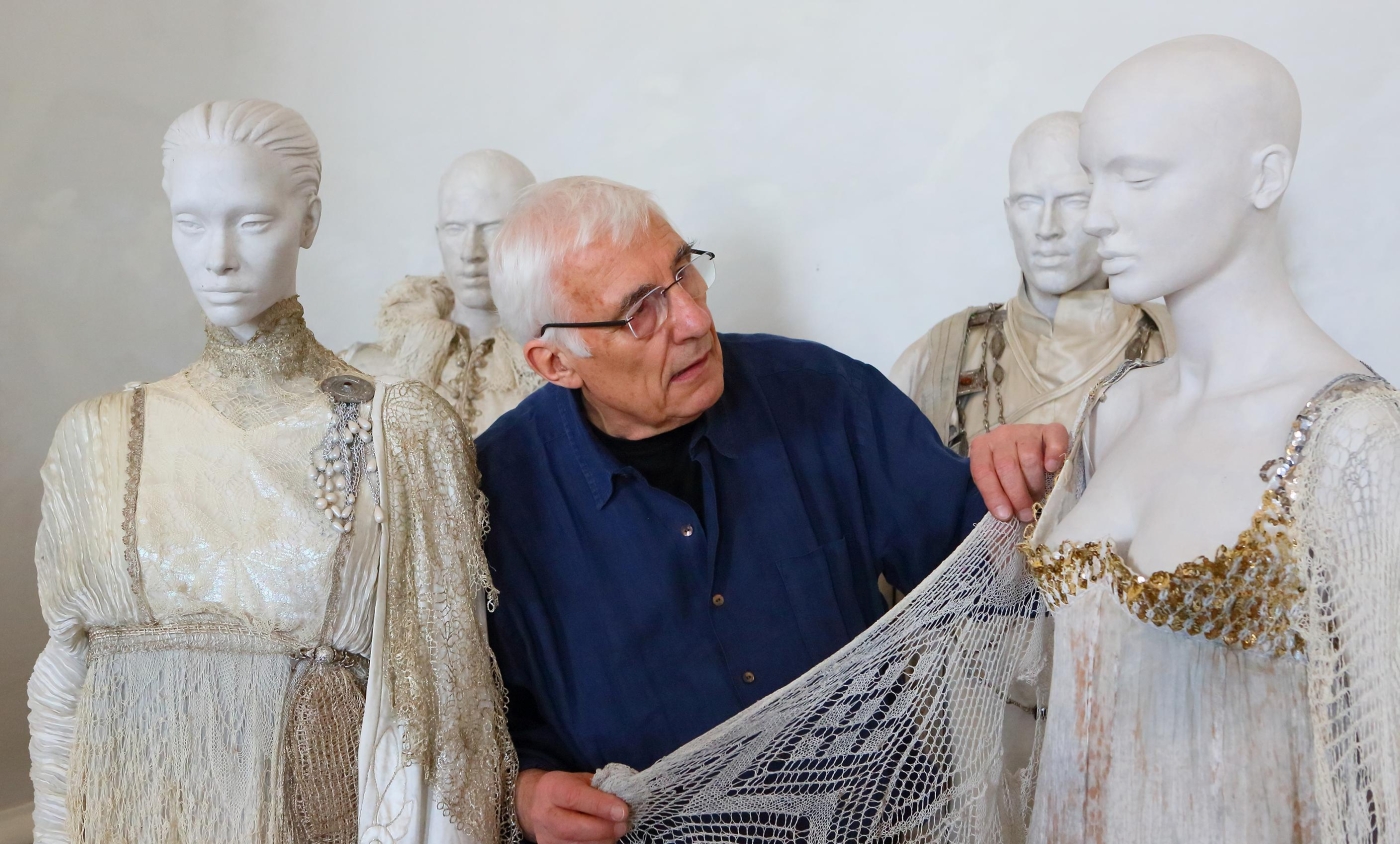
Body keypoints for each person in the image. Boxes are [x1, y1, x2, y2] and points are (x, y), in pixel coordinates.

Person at [476, 176, 1067, 844]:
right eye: (641, 311)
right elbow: (470, 727)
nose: (696, 320)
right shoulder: (490, 502)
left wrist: (1024, 481)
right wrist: (521, 792)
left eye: (683, 272)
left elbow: (988, 567)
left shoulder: (822, 394)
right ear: (555, 362)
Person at [27, 100, 513, 844]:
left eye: (252, 222)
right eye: (190, 222)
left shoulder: (399, 428)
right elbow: (64, 680)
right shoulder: (101, 434)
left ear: (308, 222)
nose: (217, 256)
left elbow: (446, 720)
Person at [891, 111, 1172, 455]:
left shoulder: (1181, 344)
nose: (1047, 227)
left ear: (1109, 209)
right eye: (1028, 202)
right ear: (1009, 215)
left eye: (1072, 202)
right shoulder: (938, 358)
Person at [344, 150, 543, 437]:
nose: (469, 252)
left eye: (492, 228)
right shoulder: (369, 367)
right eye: (454, 228)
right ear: (438, 233)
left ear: (532, 235)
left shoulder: (564, 365)